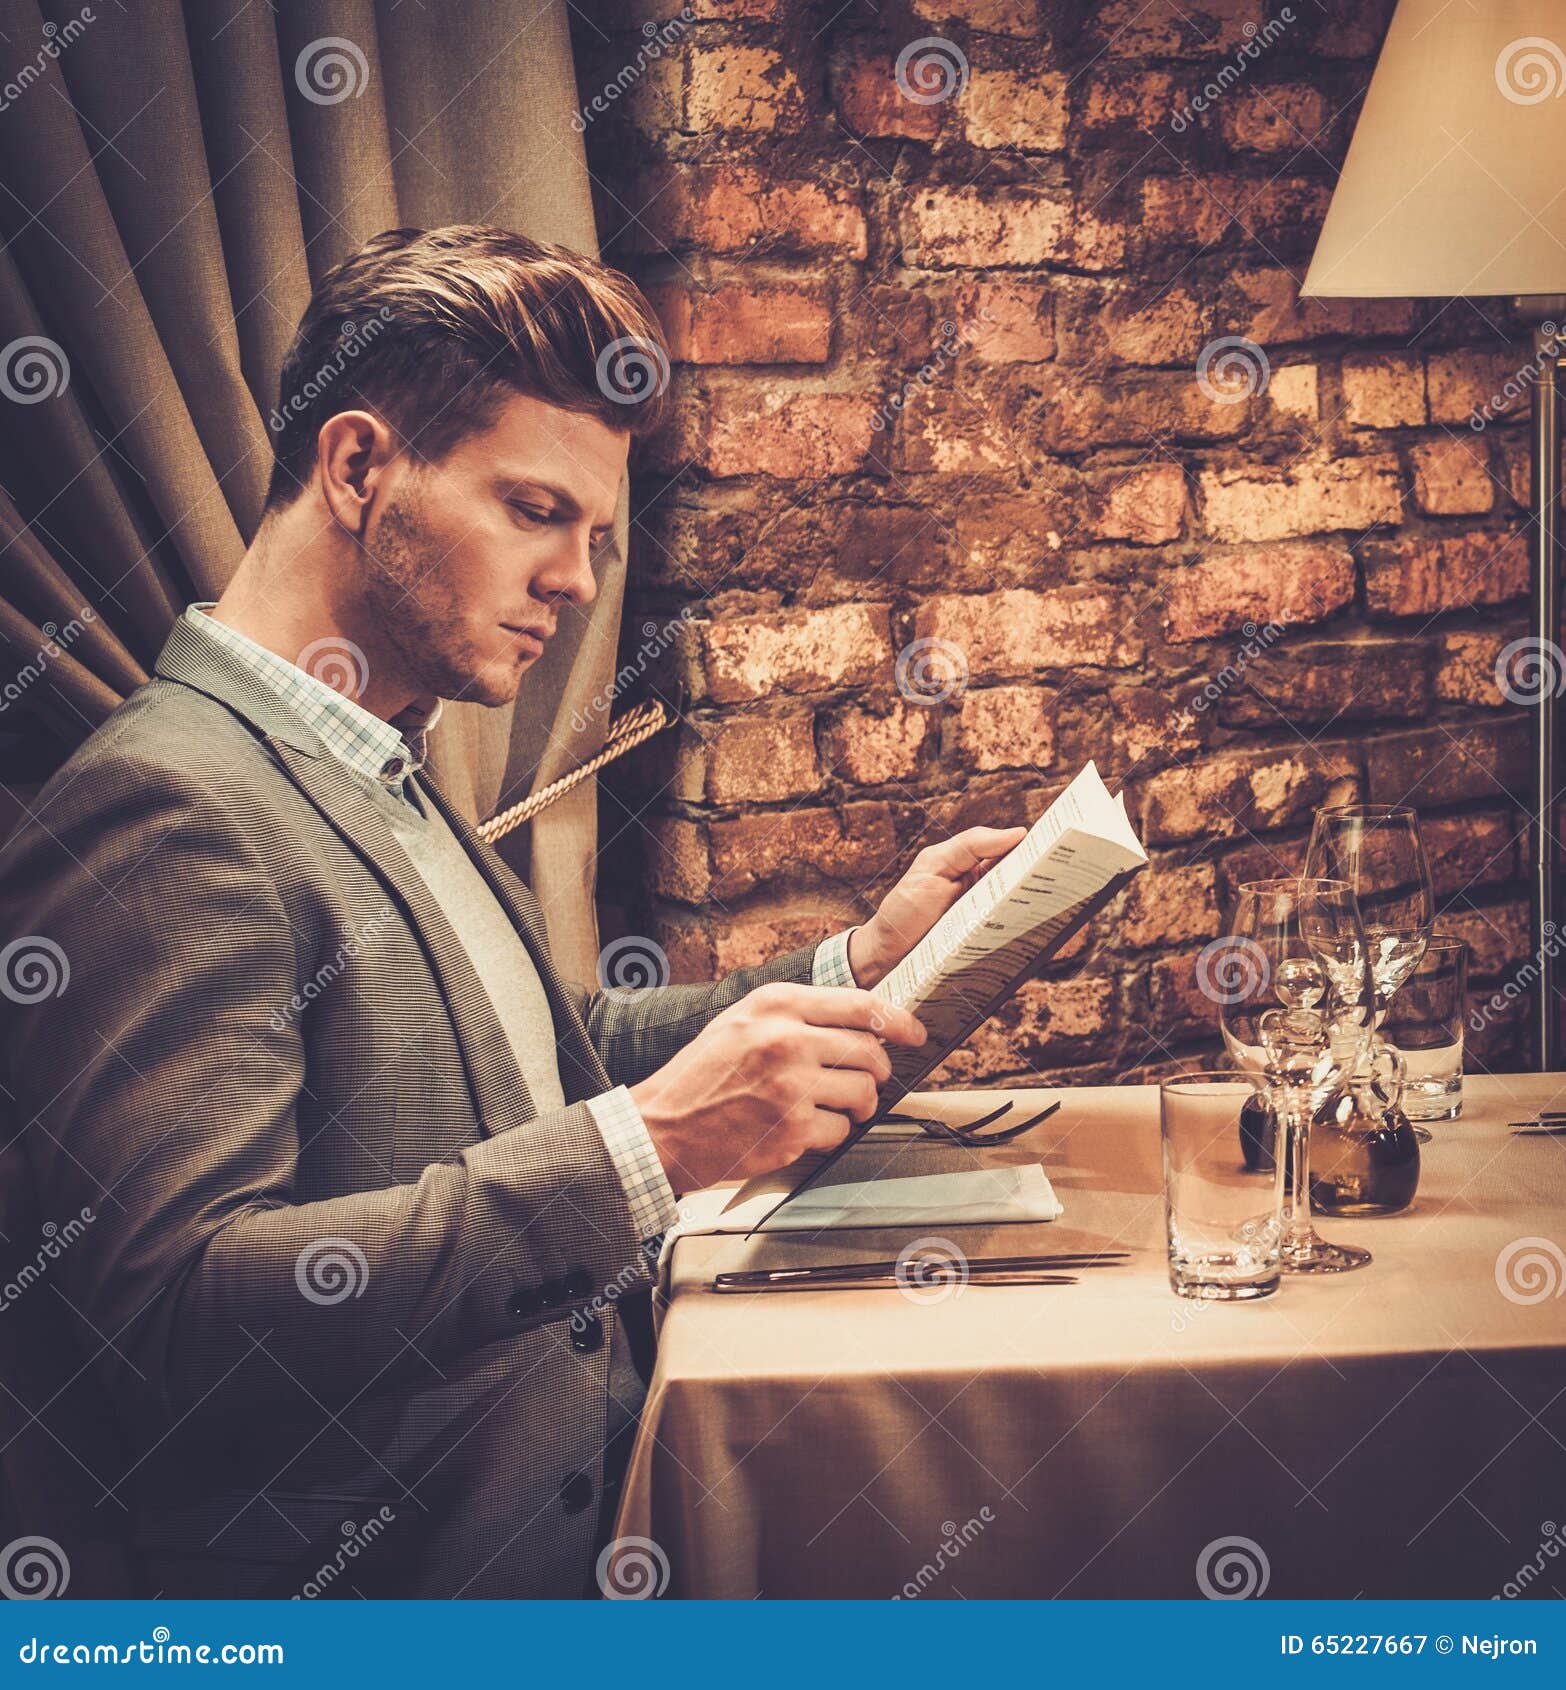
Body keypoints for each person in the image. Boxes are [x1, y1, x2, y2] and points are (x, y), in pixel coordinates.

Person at [0, 225, 1026, 1598]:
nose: (579, 581)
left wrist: (858, 959)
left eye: (595, 535)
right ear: (358, 467)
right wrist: (648, 1149)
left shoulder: (374, 745)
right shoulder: (166, 803)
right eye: (536, 511)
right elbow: (179, 1318)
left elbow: (533, 1053)